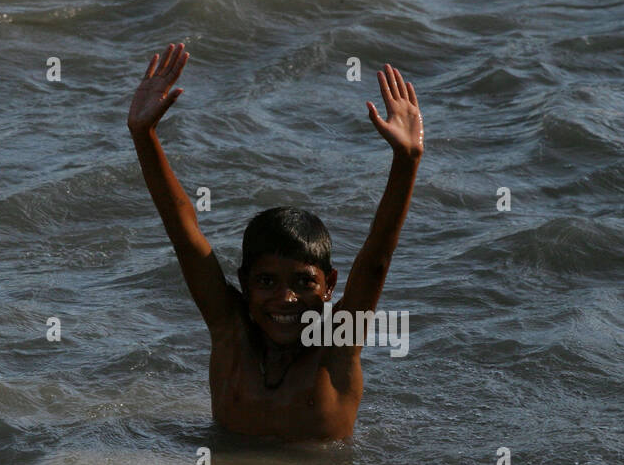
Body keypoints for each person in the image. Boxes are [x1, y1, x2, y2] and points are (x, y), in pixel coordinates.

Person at [127, 42, 424, 441]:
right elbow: (184, 235)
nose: (286, 299)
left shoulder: (338, 343)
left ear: (330, 285)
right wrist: (143, 135)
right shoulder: (230, 329)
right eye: (267, 282)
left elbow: (376, 259)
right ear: (244, 283)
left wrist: (407, 162)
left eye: (304, 283)